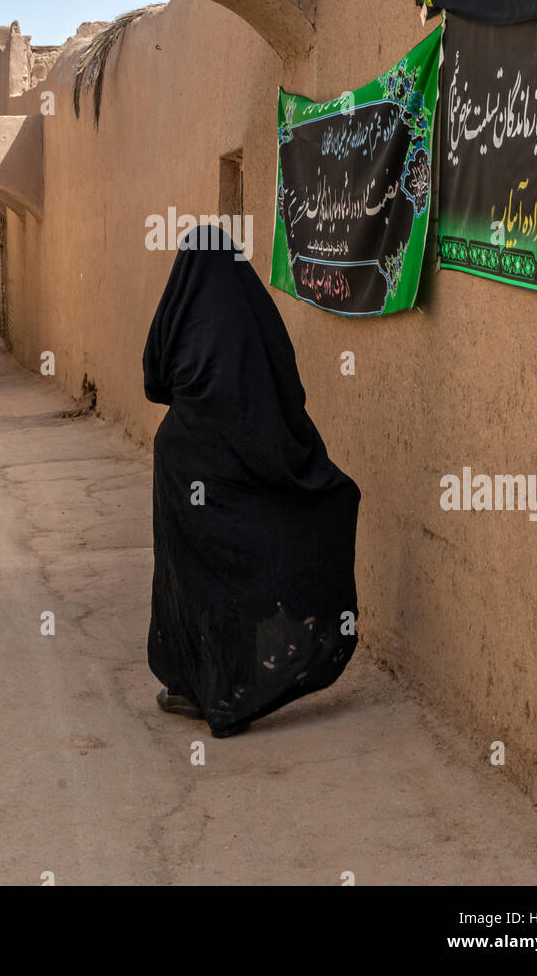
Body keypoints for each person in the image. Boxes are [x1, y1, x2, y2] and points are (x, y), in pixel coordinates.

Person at [142, 224, 360, 739]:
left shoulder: (181, 310)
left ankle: (190, 685)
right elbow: (289, 389)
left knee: (190, 577)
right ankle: (236, 688)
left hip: (183, 463)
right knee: (237, 572)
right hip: (245, 463)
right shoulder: (257, 316)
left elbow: (154, 380)